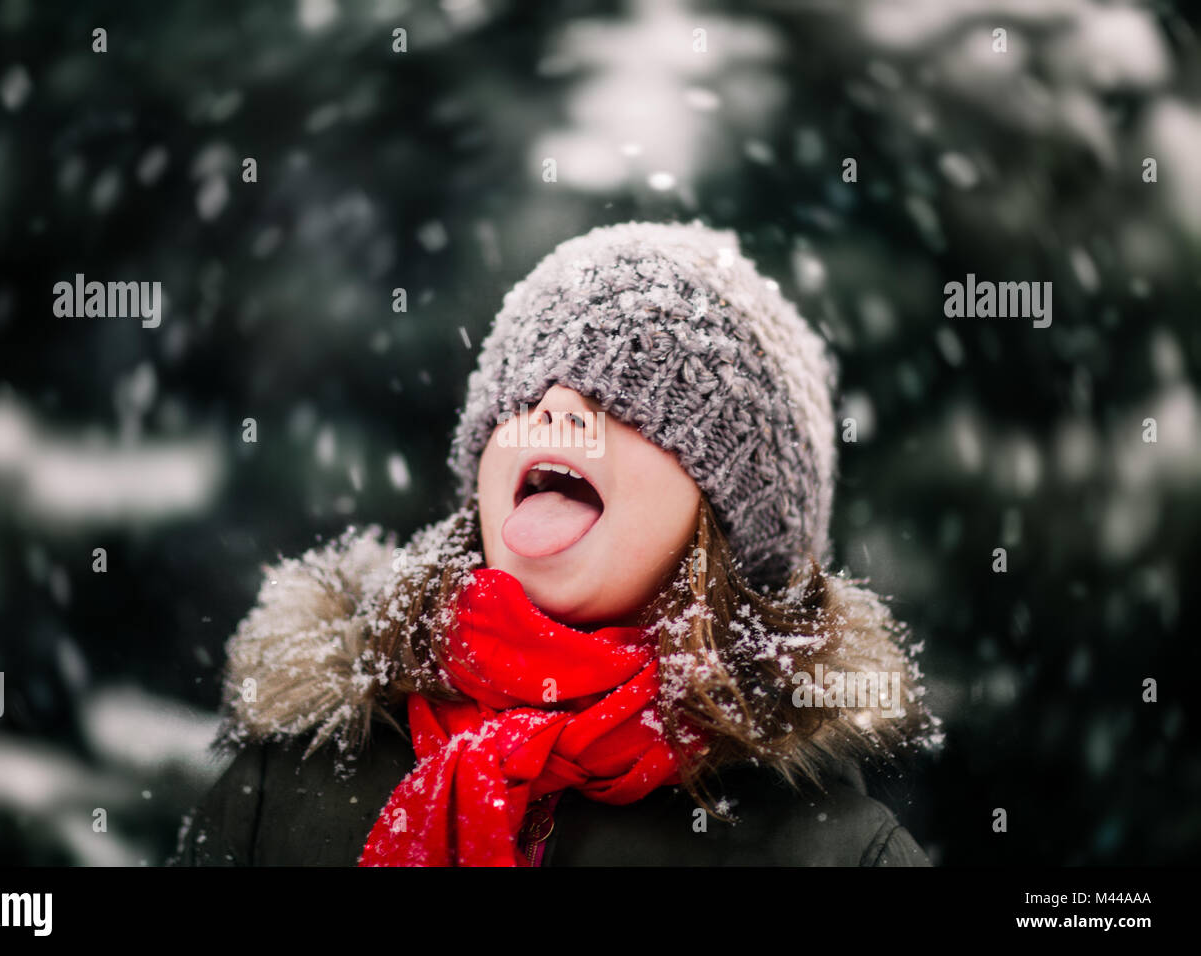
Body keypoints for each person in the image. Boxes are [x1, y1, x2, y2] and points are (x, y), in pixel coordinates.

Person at [173, 220, 941, 867]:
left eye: (632, 393)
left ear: (734, 515)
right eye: (524, 390)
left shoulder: (827, 849)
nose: (557, 407)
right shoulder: (292, 781)